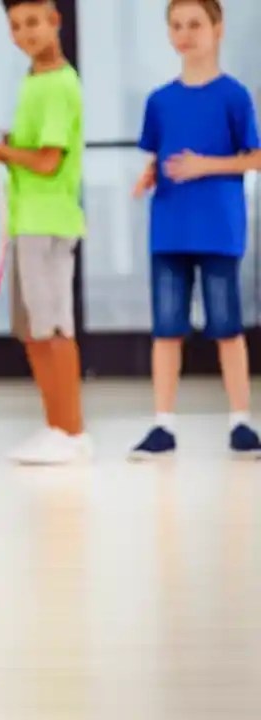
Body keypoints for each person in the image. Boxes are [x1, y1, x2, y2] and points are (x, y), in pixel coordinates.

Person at [0, 0, 89, 465]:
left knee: (53, 329)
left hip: (47, 223)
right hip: (28, 221)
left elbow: (49, 161)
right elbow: (35, 149)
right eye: (17, 26)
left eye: (34, 22)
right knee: (34, 331)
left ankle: (71, 432)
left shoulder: (57, 84)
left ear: (55, 21)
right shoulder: (35, 82)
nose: (26, 32)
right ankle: (56, 427)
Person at [128, 0, 261, 460]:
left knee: (227, 327)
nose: (185, 34)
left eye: (195, 24)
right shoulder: (159, 101)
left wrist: (207, 165)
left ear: (218, 28)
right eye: (177, 25)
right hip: (168, 229)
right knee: (166, 329)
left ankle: (241, 422)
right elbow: (157, 156)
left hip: (220, 229)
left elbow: (256, 156)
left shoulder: (235, 96)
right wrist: (148, 176)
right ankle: (163, 425)